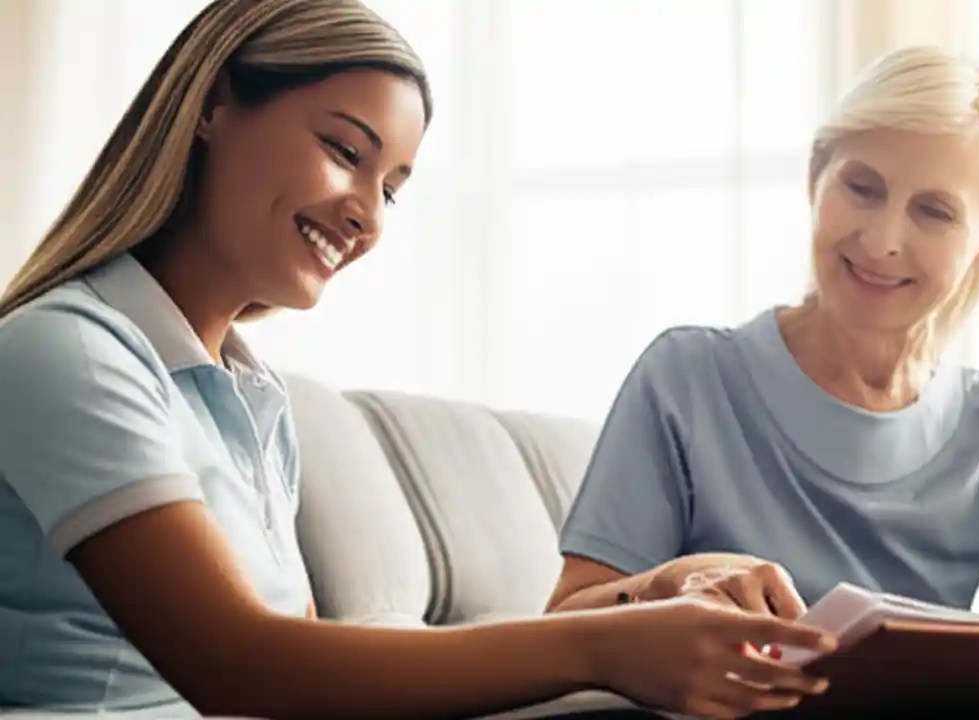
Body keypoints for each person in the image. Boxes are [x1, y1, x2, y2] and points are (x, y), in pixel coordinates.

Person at [0, 1, 840, 717]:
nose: (368, 214)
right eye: (345, 152)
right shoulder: (67, 350)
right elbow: (235, 665)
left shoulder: (250, 400)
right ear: (215, 104)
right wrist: (604, 644)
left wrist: (641, 596)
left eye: (392, 187)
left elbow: (319, 660)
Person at [547, 46, 979, 719]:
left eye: (933, 211)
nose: (881, 241)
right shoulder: (687, 378)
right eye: (862, 187)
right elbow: (563, 625)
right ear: (817, 176)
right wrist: (669, 585)